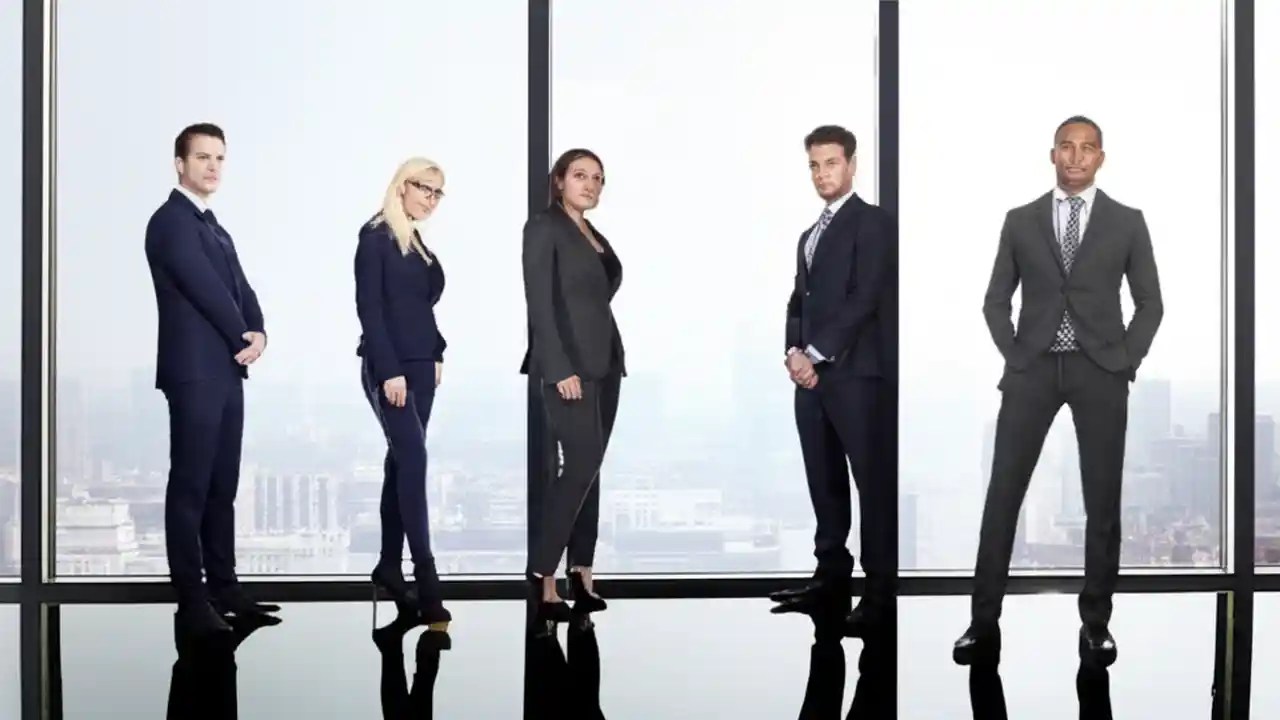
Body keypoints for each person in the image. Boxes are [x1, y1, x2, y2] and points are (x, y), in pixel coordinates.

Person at [953, 116, 1163, 668]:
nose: (1075, 157)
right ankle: (981, 622)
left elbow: (1151, 303)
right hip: (1034, 369)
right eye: (1066, 148)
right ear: (1052, 155)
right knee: (1003, 495)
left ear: (1101, 157)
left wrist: (1124, 361)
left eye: (1086, 149)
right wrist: (1017, 355)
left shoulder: (1127, 222)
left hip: (1100, 370)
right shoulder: (1020, 221)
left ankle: (1096, 625)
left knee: (1103, 503)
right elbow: (995, 300)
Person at [145, 123, 280, 634]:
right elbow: (203, 288)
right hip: (194, 372)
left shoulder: (214, 225)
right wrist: (241, 335)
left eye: (220, 158)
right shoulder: (170, 222)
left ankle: (226, 588)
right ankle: (192, 601)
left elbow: (240, 287)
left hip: (227, 370)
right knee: (191, 487)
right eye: (202, 157)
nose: (212, 167)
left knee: (222, 486)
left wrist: (260, 331)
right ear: (180, 163)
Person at [768, 124, 897, 638]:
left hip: (858, 377)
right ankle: (830, 581)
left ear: (852, 164)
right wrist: (793, 353)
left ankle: (880, 595)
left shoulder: (874, 223)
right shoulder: (808, 235)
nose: (823, 174)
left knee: (872, 488)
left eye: (832, 163)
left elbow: (864, 298)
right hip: (812, 382)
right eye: (815, 166)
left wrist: (817, 353)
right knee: (824, 483)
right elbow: (799, 302)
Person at [520, 148, 624, 624]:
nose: (591, 184)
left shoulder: (593, 234)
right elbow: (539, 303)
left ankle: (582, 569)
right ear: (559, 180)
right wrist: (558, 367)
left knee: (592, 467)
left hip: (606, 365)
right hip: (568, 369)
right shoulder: (544, 227)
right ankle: (543, 575)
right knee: (579, 465)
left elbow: (594, 300)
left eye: (598, 178)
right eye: (581, 175)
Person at [355, 157, 453, 640]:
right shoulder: (375, 238)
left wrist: (436, 352)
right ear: (401, 185)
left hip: (420, 367)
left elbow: (420, 310)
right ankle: (426, 580)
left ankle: (389, 567)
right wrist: (389, 369)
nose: (431, 199)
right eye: (425, 189)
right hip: (389, 368)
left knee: (401, 464)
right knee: (413, 460)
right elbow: (370, 311)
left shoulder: (415, 240)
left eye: (438, 193)